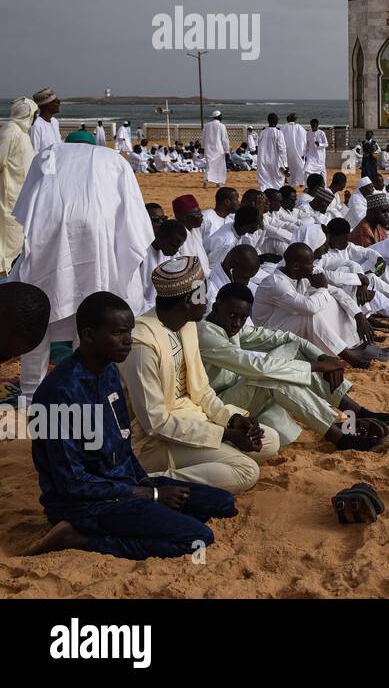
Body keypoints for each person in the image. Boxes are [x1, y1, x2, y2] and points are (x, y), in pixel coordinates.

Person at [26, 291, 239, 559]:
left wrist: (148, 485)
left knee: (222, 503)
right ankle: (78, 538)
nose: (129, 341)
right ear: (90, 336)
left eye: (130, 331)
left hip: (126, 485)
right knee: (198, 537)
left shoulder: (109, 371)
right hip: (85, 504)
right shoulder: (59, 393)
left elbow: (122, 443)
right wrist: (148, 495)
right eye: (119, 333)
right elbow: (72, 483)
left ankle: (139, 522)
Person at [120, 257, 281, 494]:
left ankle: (213, 457)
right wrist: (224, 434)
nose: (207, 301)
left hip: (192, 419)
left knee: (270, 441)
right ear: (188, 300)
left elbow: (202, 390)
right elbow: (155, 424)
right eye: (203, 295)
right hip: (152, 443)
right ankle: (146, 482)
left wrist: (230, 419)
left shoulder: (186, 325)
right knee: (246, 471)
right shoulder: (142, 345)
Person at [11, 142, 155, 400]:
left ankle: (31, 394)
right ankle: (90, 389)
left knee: (38, 315)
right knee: (93, 314)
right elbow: (131, 217)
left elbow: (27, 206)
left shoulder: (50, 153)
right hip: (97, 240)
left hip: (48, 239)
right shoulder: (111, 160)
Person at [199, 284, 389, 451]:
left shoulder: (230, 329)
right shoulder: (206, 334)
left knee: (292, 349)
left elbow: (288, 339)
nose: (237, 323)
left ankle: (355, 413)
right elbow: (257, 367)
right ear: (216, 308)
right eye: (232, 315)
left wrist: (322, 357)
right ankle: (340, 438)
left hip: (240, 395)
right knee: (274, 377)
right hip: (219, 407)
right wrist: (316, 367)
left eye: (243, 318)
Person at [1, 97, 37, 273]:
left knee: (19, 232)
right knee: (11, 233)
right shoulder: (11, 130)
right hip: (11, 193)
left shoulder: (22, 133)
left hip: (22, 191)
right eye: (34, 113)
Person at [256, 113, 288, 190]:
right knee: (278, 183)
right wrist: (285, 164)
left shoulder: (262, 132)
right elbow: (282, 149)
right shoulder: (278, 133)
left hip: (263, 161)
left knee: (264, 183)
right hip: (276, 162)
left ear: (268, 121)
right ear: (277, 121)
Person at [201, 110, 230, 188]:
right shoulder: (221, 126)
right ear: (219, 117)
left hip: (208, 149)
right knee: (219, 167)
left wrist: (202, 147)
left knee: (209, 166)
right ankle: (219, 183)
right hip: (218, 150)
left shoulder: (206, 125)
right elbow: (224, 139)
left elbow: (203, 138)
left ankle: (206, 181)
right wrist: (227, 151)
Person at [29, 87, 61, 153]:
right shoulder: (36, 125)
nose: (59, 104)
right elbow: (34, 151)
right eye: (56, 102)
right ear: (47, 105)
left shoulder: (55, 122)